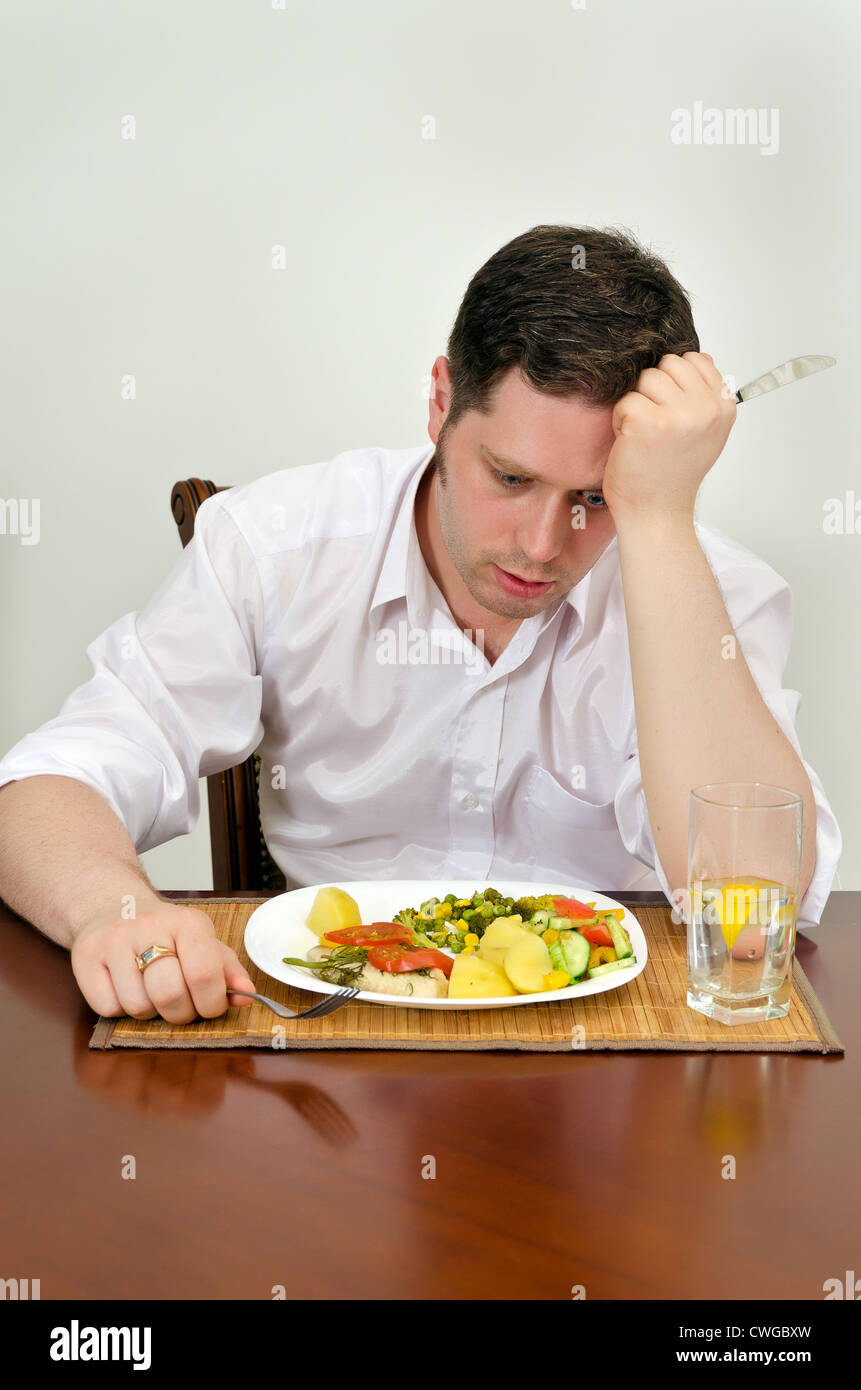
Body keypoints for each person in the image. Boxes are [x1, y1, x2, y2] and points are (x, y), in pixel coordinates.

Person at [0, 224, 842, 1024]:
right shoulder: (277, 547)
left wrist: (656, 520)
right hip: (328, 1047)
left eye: (594, 498)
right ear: (440, 404)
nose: (542, 546)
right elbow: (50, 784)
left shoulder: (706, 589)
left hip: (609, 1075)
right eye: (509, 477)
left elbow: (748, 922)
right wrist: (114, 913)